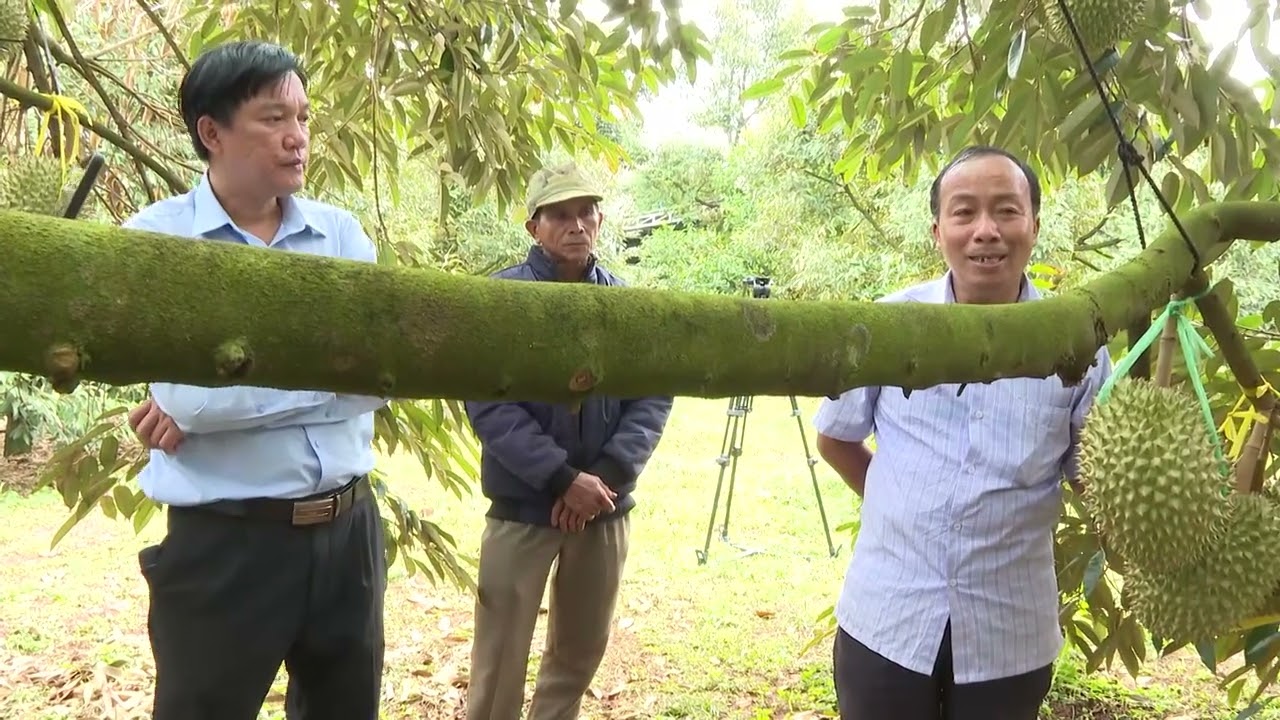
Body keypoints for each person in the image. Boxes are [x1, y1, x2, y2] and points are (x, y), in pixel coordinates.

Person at [123, 40, 389, 720]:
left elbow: (379, 380)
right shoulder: (156, 242)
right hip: (226, 546)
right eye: (274, 118)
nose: (297, 137)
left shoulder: (341, 236)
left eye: (303, 117)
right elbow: (187, 401)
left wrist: (219, 401)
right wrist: (330, 385)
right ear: (212, 133)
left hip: (349, 537)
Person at [812, 145, 1112, 720]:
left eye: (1006, 210)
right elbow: (836, 438)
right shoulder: (888, 325)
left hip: (1010, 630)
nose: (986, 231)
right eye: (964, 212)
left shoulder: (1079, 346)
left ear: (1034, 224)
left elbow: (1095, 479)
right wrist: (899, 505)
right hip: (887, 616)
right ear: (937, 231)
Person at [462, 162, 674, 720]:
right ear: (534, 227)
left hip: (602, 508)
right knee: (498, 658)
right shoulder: (503, 299)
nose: (576, 225)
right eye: (559, 215)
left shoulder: (626, 304)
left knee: (579, 654)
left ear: (600, 220)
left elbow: (653, 396)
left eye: (586, 212)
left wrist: (603, 477)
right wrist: (560, 478)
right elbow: (488, 404)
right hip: (523, 508)